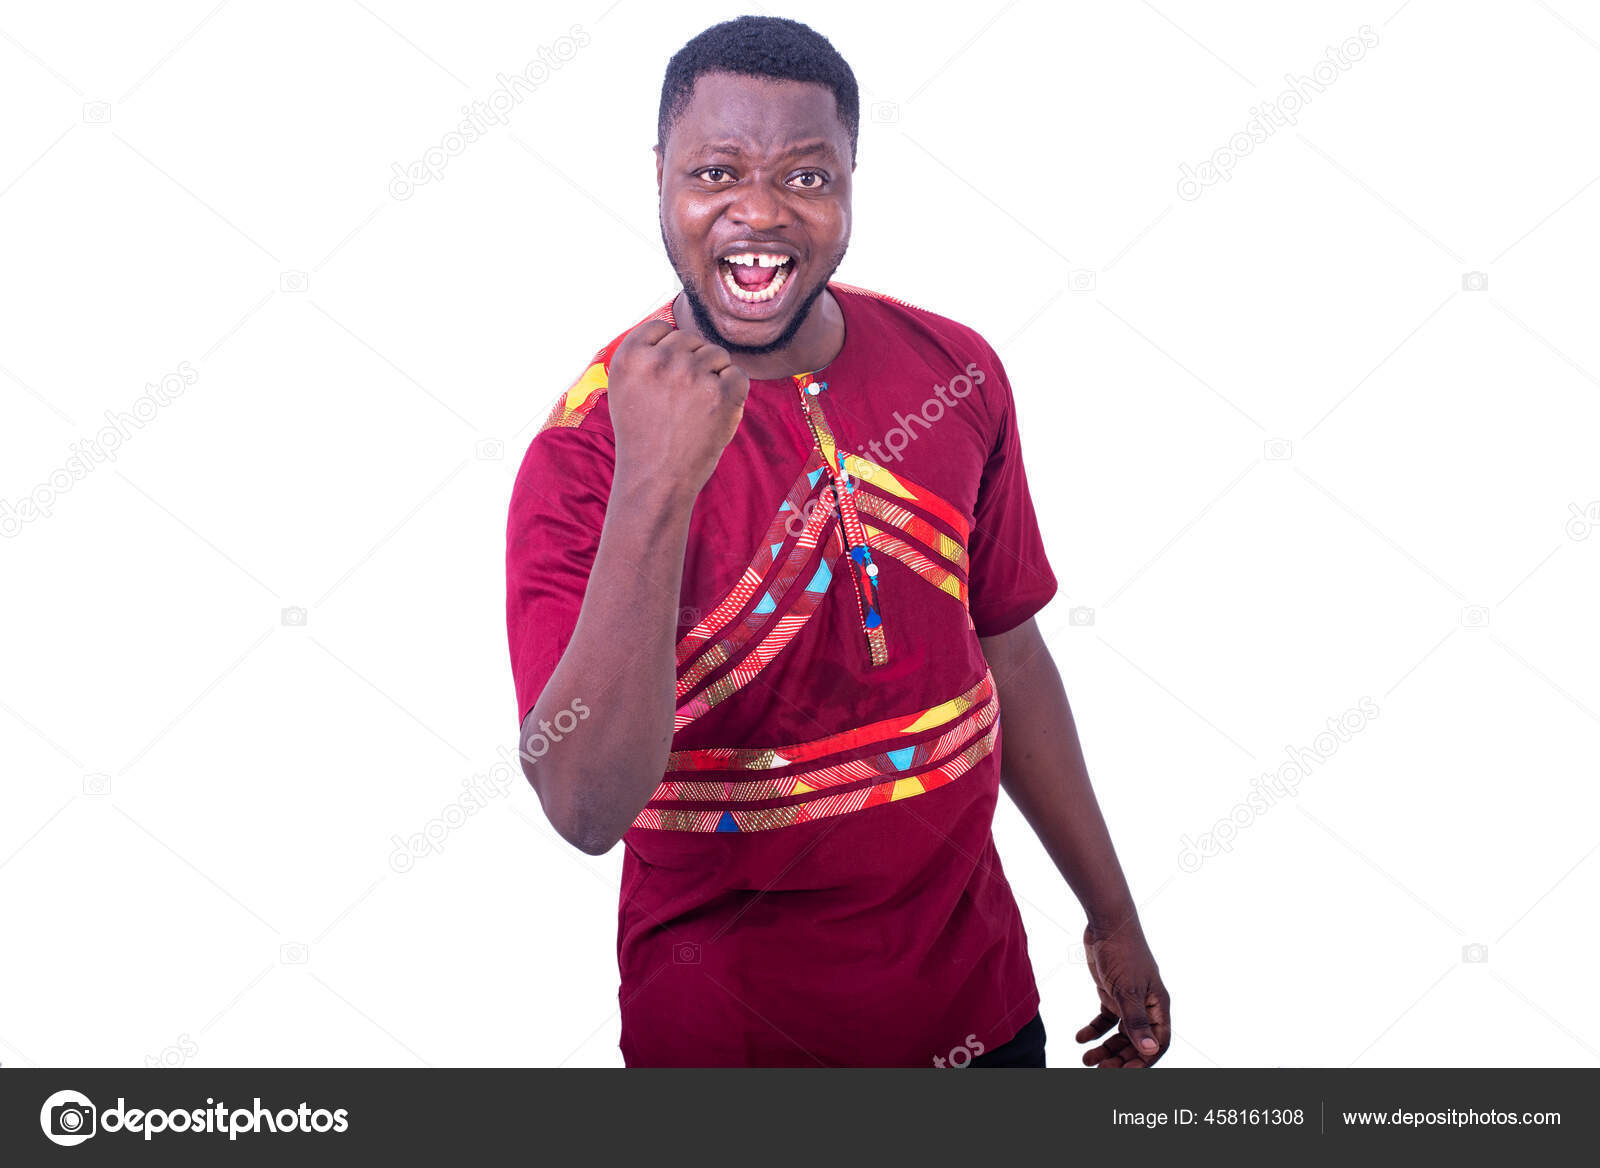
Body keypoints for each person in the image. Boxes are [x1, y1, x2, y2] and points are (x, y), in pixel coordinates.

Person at [505, 14, 1170, 1068]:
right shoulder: (585, 456)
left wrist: (1111, 909)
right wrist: (655, 485)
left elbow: (1011, 655)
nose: (758, 213)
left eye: (807, 178)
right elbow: (583, 804)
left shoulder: (957, 369)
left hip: (984, 1018)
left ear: (853, 178)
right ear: (659, 177)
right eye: (715, 170)